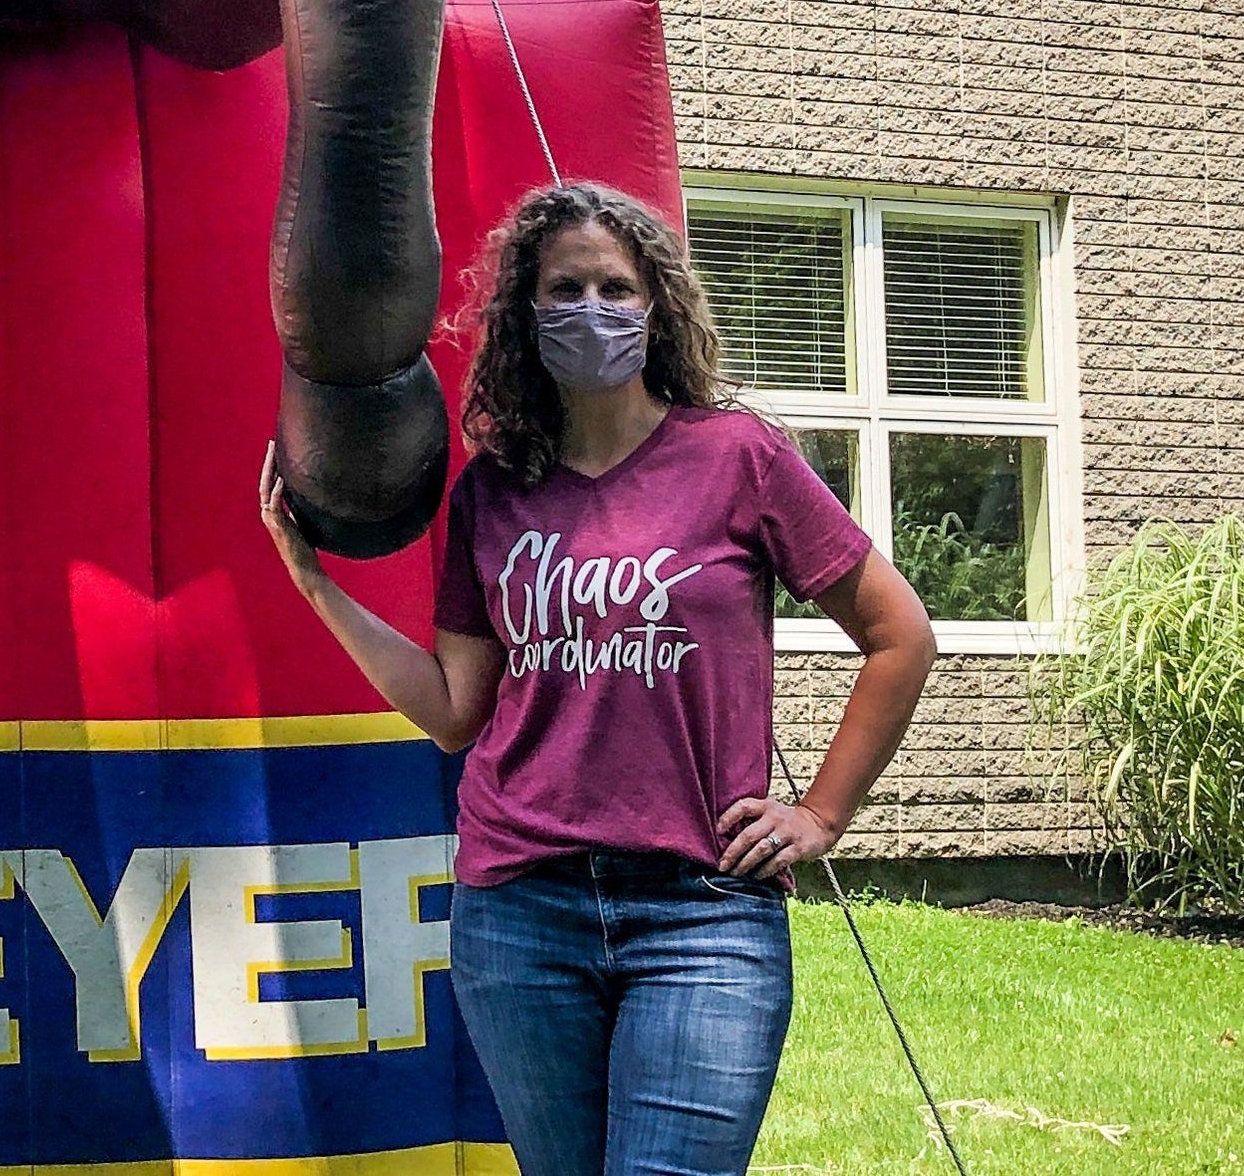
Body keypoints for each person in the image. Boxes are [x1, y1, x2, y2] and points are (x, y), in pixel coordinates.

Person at [260, 178, 936, 1176]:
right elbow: (456, 712)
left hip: (704, 909)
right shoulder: (492, 490)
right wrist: (313, 582)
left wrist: (821, 814)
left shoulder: (737, 457)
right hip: (520, 910)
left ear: (656, 305)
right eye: (564, 287)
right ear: (525, 315)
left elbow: (899, 634)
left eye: (615, 288)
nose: (591, 309)